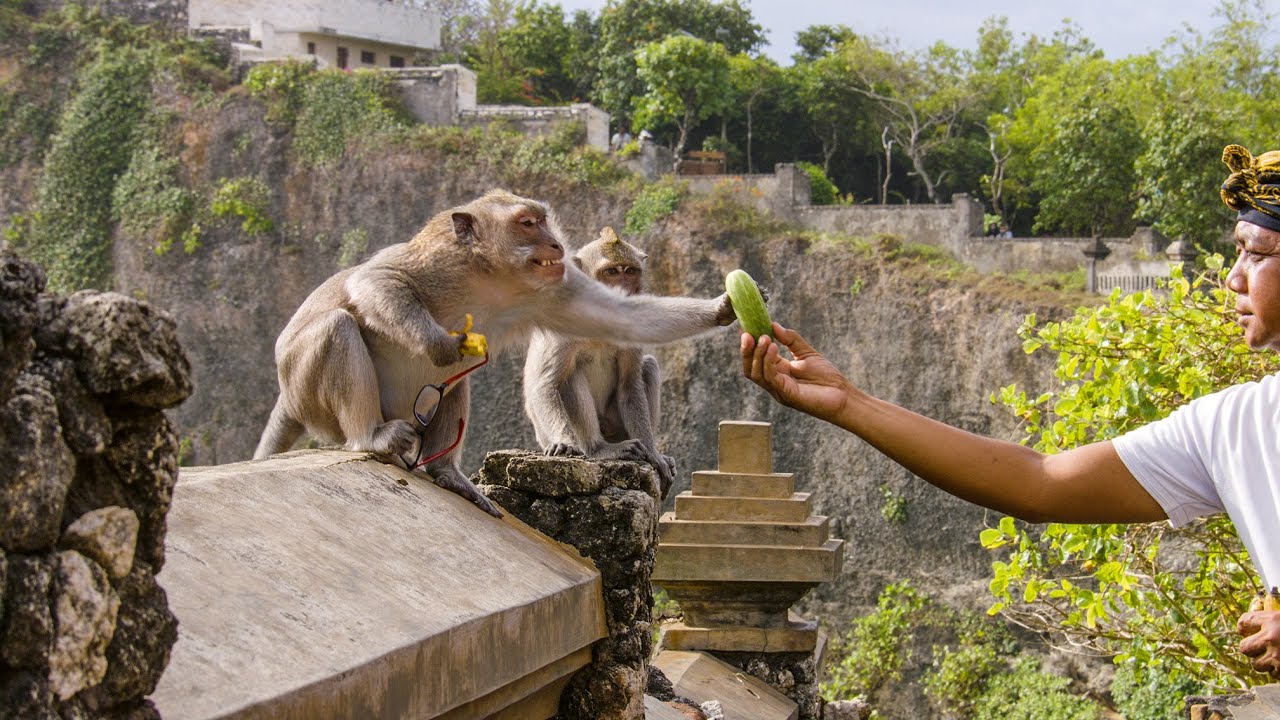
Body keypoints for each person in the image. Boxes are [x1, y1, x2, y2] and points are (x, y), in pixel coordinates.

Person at [739, 144, 1280, 679]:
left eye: (1256, 253)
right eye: (1236, 252)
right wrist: (848, 404)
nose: (1232, 278)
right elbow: (1036, 483)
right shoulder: (1236, 427)